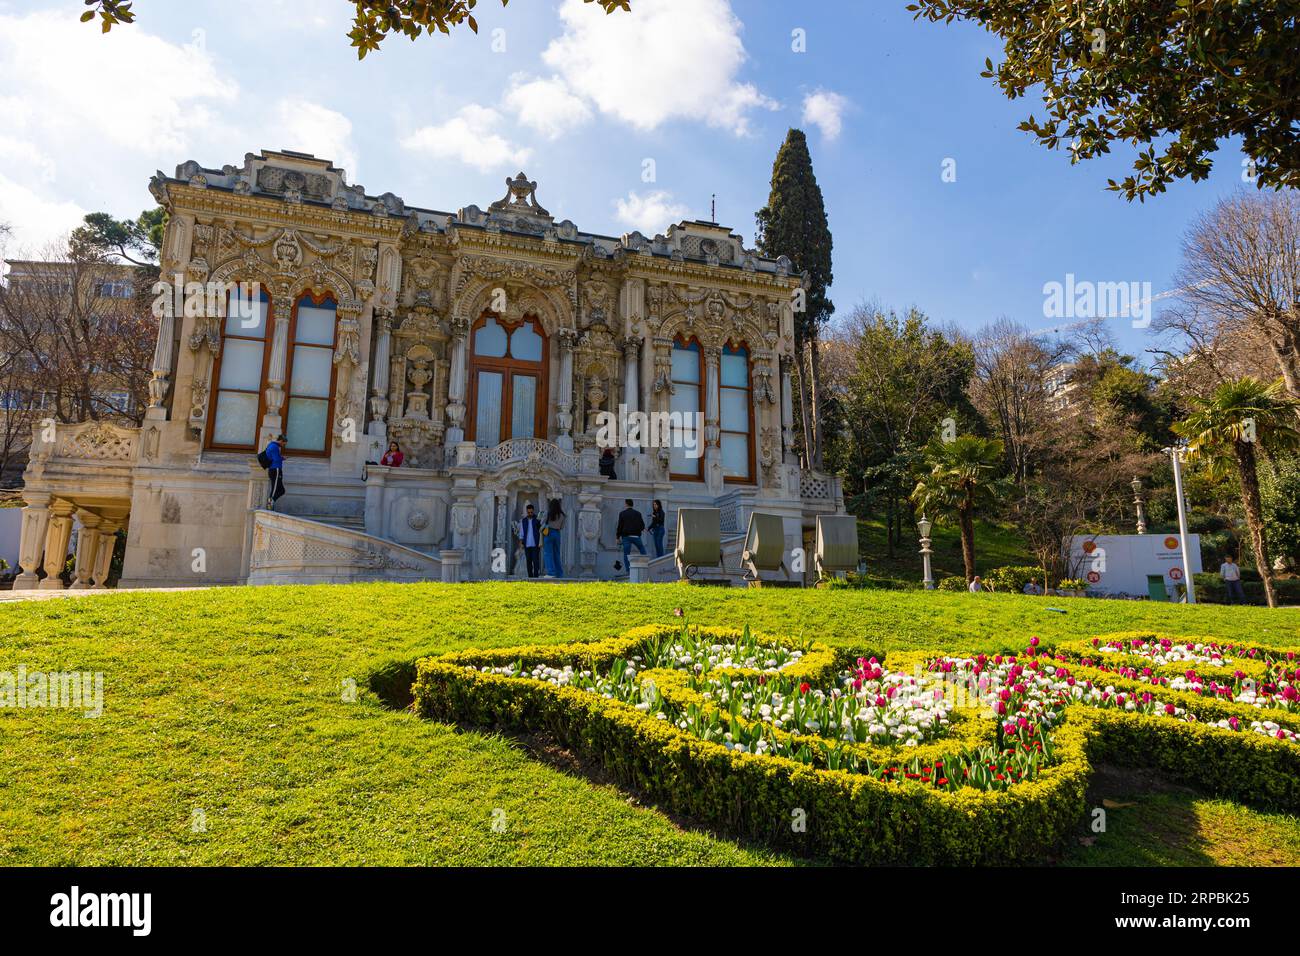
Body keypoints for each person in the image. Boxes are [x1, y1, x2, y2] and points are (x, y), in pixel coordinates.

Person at [615, 498, 646, 574]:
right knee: (642, 549)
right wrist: (639, 530)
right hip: (636, 536)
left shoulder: (622, 513)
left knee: (626, 554)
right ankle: (645, 564)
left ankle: (628, 571)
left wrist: (617, 537)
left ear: (626, 504)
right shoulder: (638, 513)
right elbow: (642, 525)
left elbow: (620, 526)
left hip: (626, 537)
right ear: (632, 504)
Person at [261, 434, 286, 510]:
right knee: (275, 488)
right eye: (284, 443)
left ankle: (271, 501)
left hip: (273, 469)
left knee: (281, 490)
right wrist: (281, 458)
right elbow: (276, 459)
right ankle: (270, 504)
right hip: (275, 469)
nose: (283, 445)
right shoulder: (274, 447)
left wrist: (281, 458)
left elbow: (272, 457)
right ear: (281, 441)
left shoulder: (271, 445)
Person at [517, 503, 543, 579]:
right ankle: (530, 577)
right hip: (526, 544)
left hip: (535, 543)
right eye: (528, 512)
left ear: (533, 511)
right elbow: (521, 532)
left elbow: (541, 529)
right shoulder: (524, 521)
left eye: (531, 512)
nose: (530, 514)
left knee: (535, 561)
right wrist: (521, 542)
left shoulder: (537, 519)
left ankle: (536, 577)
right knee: (528, 561)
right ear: (526, 512)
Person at [543, 498, 565, 578]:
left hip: (548, 532)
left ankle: (551, 573)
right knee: (557, 554)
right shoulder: (562, 515)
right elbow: (562, 527)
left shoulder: (548, 513)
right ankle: (559, 573)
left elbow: (542, 522)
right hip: (557, 533)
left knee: (548, 553)